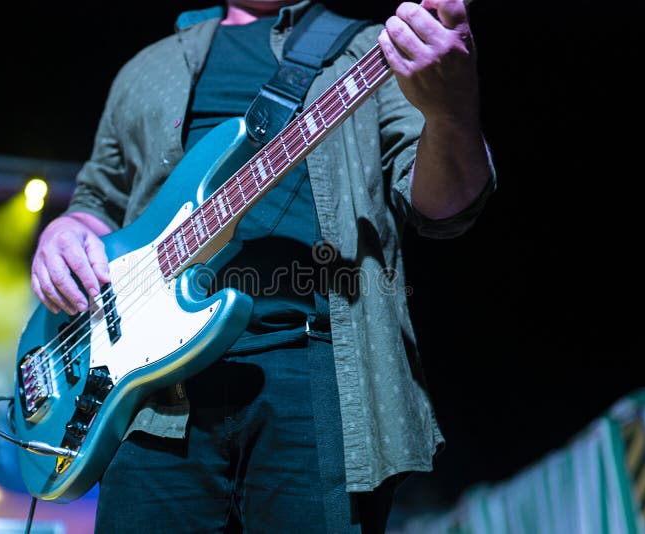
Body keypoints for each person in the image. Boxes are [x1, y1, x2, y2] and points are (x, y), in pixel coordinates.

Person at [30, 0, 495, 531]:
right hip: (149, 398)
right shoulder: (146, 68)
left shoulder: (373, 49)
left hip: (317, 372)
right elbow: (96, 200)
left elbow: (447, 208)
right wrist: (64, 231)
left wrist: (452, 112)